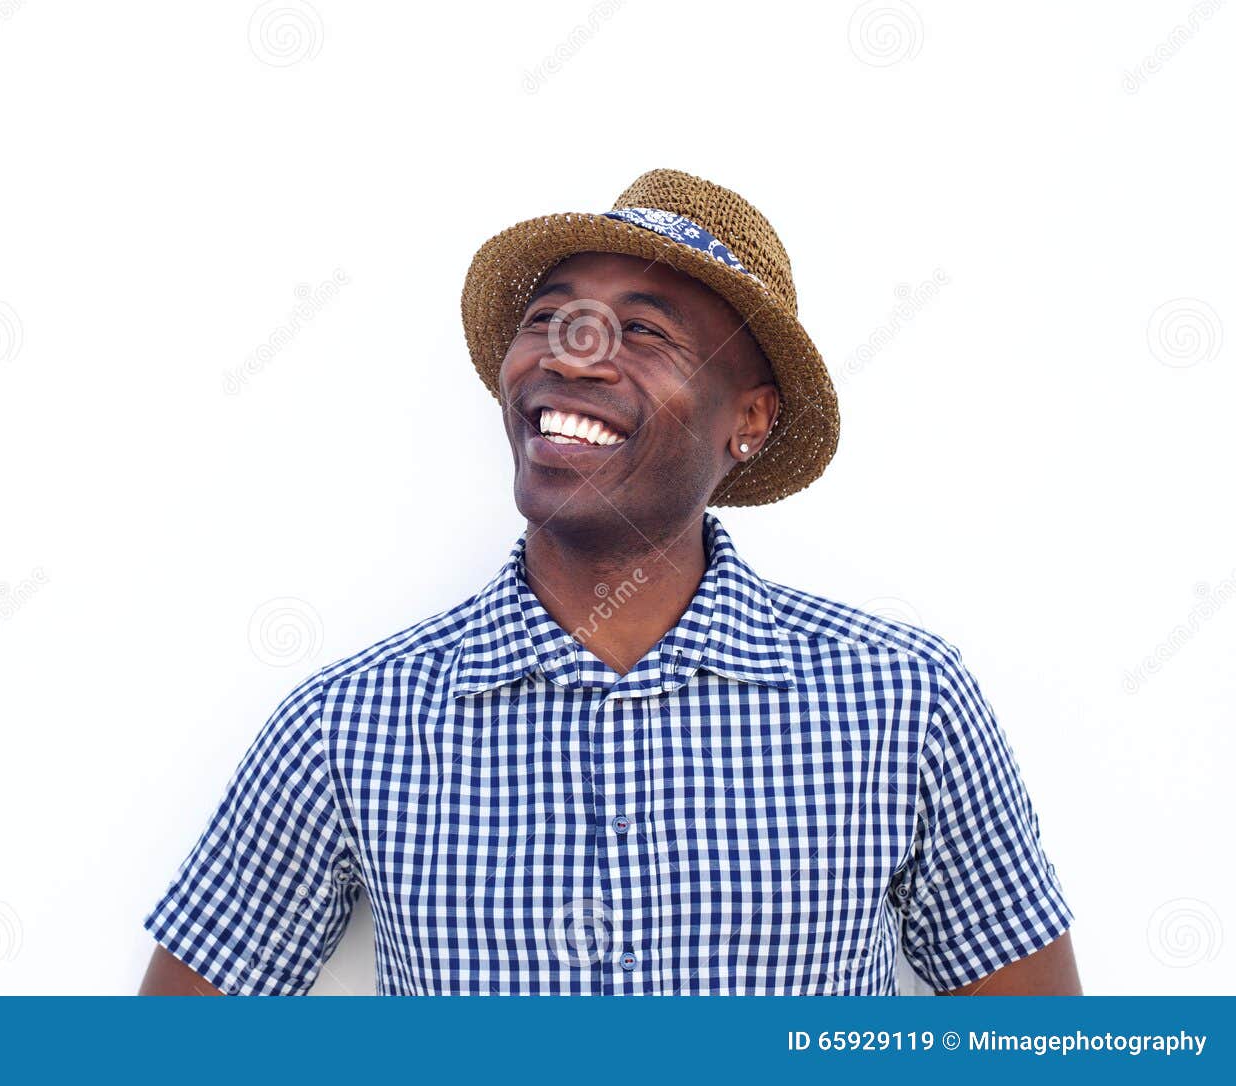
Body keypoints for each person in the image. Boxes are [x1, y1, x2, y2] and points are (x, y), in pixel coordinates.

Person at [139, 169, 1080, 996]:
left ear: (747, 419)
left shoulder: (902, 701)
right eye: (548, 319)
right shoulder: (351, 726)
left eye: (643, 331)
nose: (569, 351)